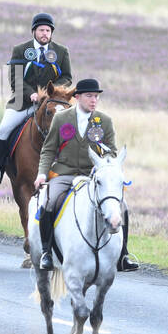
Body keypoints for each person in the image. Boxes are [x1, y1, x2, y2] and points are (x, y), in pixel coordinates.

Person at [35, 77, 137, 272]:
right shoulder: (61, 118)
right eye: (89, 96)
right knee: (49, 201)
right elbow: (48, 150)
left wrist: (104, 159)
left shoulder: (104, 121)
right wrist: (41, 174)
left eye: (96, 96)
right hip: (66, 173)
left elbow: (112, 153)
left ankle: (123, 255)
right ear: (78, 97)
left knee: (122, 206)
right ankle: (47, 252)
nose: (93, 100)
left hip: (93, 176)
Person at [0, 12, 73, 185]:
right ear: (34, 31)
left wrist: (51, 92)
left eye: (48, 30)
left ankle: (72, 168)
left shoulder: (61, 52)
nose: (45, 33)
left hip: (51, 104)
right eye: (41, 30)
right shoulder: (21, 50)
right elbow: (15, 77)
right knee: (3, 129)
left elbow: (67, 77)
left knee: (68, 131)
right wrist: (31, 93)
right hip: (23, 103)